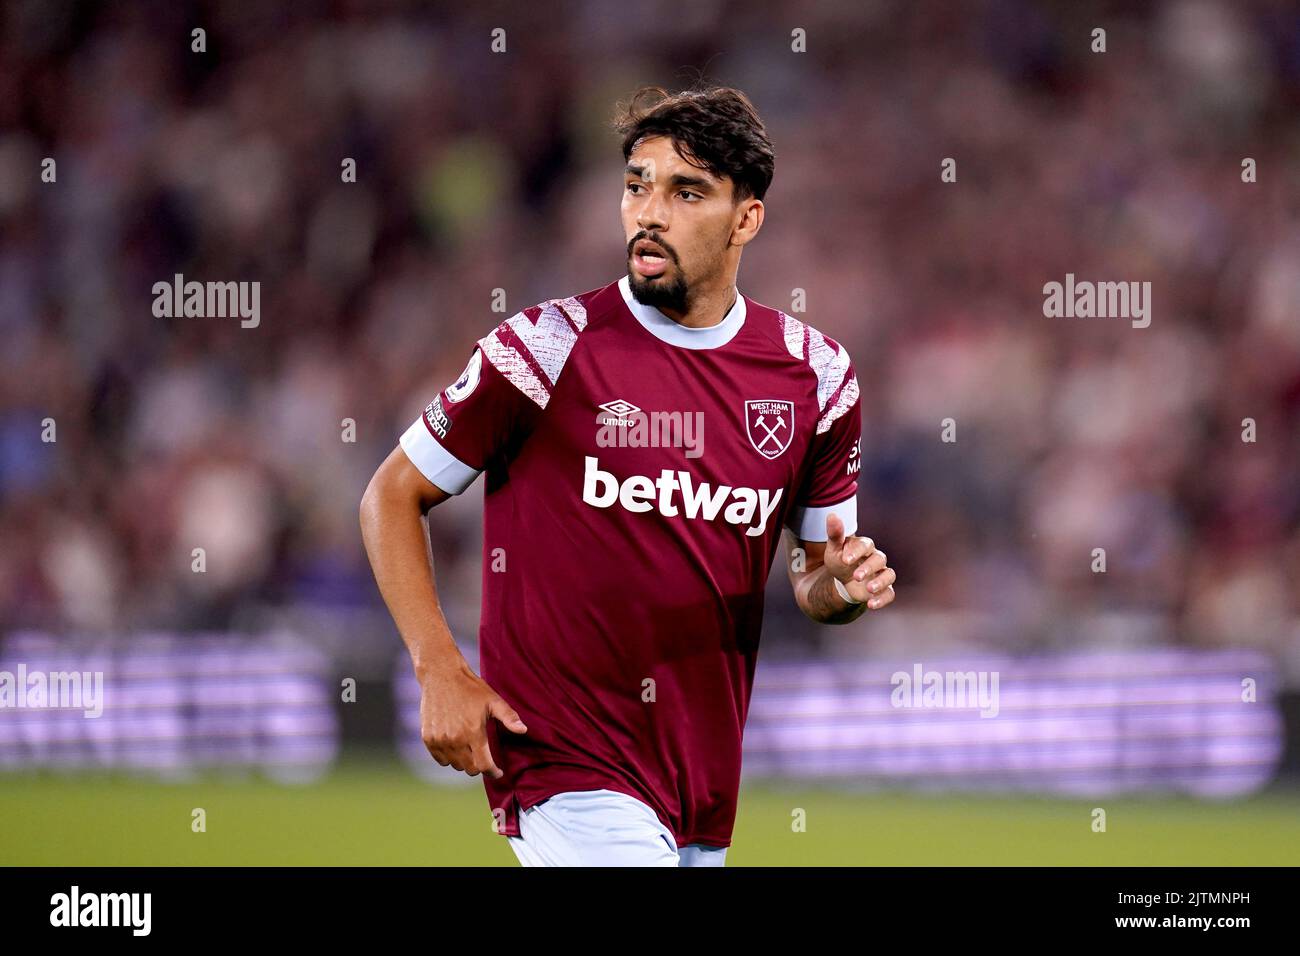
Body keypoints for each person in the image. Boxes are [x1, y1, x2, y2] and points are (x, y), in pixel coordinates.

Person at [360, 85, 896, 867]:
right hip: (561, 756)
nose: (650, 211)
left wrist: (842, 588)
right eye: (637, 184)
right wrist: (438, 668)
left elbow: (813, 578)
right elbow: (391, 494)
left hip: (701, 782)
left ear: (746, 218)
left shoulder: (814, 377)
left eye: (687, 192)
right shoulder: (546, 349)